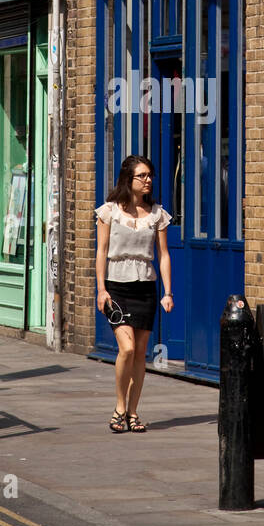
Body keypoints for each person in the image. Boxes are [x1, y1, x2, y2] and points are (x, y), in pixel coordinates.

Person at [95, 154, 174, 434]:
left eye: (150, 175)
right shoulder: (109, 212)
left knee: (140, 354)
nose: (148, 180)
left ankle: (133, 411)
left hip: (145, 288)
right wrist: (101, 289)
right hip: (117, 285)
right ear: (129, 179)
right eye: (142, 175)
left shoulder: (156, 214)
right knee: (126, 348)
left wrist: (168, 291)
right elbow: (102, 251)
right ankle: (119, 406)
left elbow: (163, 255)